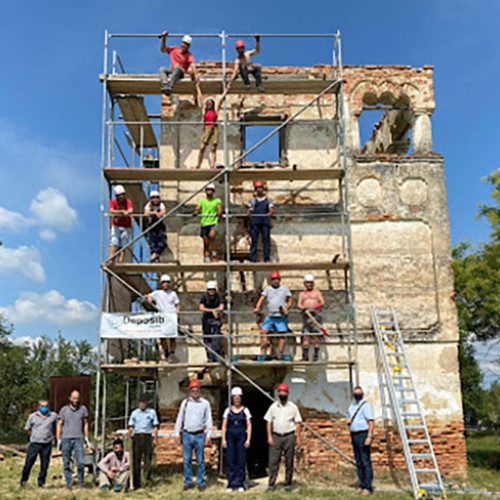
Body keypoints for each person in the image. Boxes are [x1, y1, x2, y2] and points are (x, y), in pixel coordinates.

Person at [174, 380, 213, 491]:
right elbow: (180, 418)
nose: (195, 392)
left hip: (200, 435)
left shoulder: (205, 404)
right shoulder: (185, 403)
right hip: (187, 434)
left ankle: (200, 482)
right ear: (190, 391)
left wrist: (209, 434)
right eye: (193, 390)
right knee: (187, 460)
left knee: (200, 460)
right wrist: (177, 433)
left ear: (199, 390)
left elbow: (208, 419)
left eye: (196, 390)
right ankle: (188, 482)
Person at [264, 383, 302, 492]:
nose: (282, 394)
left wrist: (298, 437)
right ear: (277, 393)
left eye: (284, 392)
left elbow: (298, 422)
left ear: (288, 393)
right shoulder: (273, 407)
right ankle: (271, 484)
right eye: (280, 392)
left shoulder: (293, 407)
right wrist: (269, 436)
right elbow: (268, 422)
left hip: (289, 436)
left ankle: (288, 484)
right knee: (273, 461)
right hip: (276, 436)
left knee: (289, 461)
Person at [253, 271, 293, 361]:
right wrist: (257, 307)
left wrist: (287, 307)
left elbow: (290, 300)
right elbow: (262, 298)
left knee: (282, 335)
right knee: (264, 332)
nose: (275, 281)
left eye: (277, 279)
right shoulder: (268, 289)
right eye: (273, 279)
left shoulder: (284, 289)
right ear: (271, 280)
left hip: (281, 316)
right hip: (270, 316)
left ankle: (280, 354)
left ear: (280, 280)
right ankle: (263, 353)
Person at [57, 390, 90, 490]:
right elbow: (59, 424)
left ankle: (81, 483)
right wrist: (58, 439)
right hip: (66, 438)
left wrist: (87, 437)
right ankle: (69, 483)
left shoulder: (83, 409)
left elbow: (86, 423)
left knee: (80, 462)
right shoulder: (64, 410)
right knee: (66, 462)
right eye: (74, 398)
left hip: (78, 438)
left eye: (77, 398)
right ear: (70, 398)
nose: (75, 400)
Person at [20, 399, 58, 488]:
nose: (44, 408)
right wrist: (33, 436)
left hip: (47, 444)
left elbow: (57, 427)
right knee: (29, 463)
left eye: (46, 406)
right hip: (35, 443)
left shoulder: (53, 416)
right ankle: (24, 480)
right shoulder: (32, 416)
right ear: (38, 407)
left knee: (44, 465)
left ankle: (41, 483)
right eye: (42, 406)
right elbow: (27, 428)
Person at [222, 387, 252, 492]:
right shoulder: (228, 411)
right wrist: (223, 440)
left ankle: (240, 483)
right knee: (230, 460)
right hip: (230, 437)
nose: (237, 399)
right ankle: (231, 484)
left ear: (241, 398)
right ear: (232, 398)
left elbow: (249, 425)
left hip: (241, 438)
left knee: (241, 460)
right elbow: (224, 425)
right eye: (235, 398)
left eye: (238, 397)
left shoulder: (245, 410)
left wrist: (248, 439)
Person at [347, 386, 375, 496]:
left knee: (365, 461)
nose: (357, 395)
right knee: (358, 461)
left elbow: (371, 422)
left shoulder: (366, 406)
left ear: (362, 394)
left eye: (359, 393)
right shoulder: (352, 406)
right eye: (355, 393)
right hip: (354, 434)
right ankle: (362, 484)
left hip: (363, 434)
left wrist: (369, 436)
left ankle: (368, 487)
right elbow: (350, 417)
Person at [158, 32, 202, 102]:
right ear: (182, 43)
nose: (185, 46)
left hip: (181, 72)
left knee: (177, 67)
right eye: (184, 44)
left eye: (187, 45)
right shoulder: (174, 49)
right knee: (161, 69)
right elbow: (163, 49)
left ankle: (170, 87)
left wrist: (196, 75)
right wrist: (164, 38)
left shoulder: (189, 55)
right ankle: (165, 85)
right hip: (173, 71)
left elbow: (192, 64)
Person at [146, 274, 180, 363]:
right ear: (161, 284)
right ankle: (166, 352)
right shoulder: (158, 293)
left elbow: (177, 305)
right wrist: (149, 298)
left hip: (172, 316)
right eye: (164, 282)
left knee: (172, 337)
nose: (166, 284)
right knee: (162, 337)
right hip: (162, 317)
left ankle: (172, 353)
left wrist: (177, 314)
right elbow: (147, 296)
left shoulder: (173, 293)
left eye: (167, 282)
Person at [128, 394, 159, 489]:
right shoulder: (134, 413)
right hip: (137, 437)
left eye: (144, 402)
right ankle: (136, 483)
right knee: (136, 460)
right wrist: (131, 436)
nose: (142, 404)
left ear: (146, 403)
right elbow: (131, 426)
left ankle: (147, 481)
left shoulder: (152, 412)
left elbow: (155, 426)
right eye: (140, 402)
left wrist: (155, 439)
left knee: (147, 461)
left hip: (147, 436)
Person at [297, 274, 326, 361]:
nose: (309, 285)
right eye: (307, 283)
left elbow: (322, 302)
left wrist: (316, 307)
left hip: (315, 316)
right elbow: (299, 304)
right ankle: (305, 355)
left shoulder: (317, 293)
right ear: (304, 284)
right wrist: (303, 308)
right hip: (306, 316)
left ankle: (316, 355)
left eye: (310, 283)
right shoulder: (302, 294)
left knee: (316, 336)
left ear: (313, 283)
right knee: (305, 336)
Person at [192, 183, 223, 262]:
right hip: (204, 223)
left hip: (213, 222)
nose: (209, 192)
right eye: (208, 190)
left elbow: (219, 209)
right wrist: (196, 212)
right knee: (206, 242)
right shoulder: (202, 201)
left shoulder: (217, 200)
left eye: (211, 190)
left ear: (213, 192)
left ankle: (214, 254)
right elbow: (198, 208)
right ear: (205, 191)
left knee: (212, 237)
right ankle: (206, 257)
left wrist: (219, 213)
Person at [246, 180, 274, 262]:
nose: (259, 190)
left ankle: (266, 258)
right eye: (257, 188)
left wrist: (270, 212)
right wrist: (249, 213)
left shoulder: (268, 200)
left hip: (265, 222)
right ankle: (253, 258)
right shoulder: (253, 200)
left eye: (260, 188)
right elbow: (248, 211)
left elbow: (271, 210)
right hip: (255, 222)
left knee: (266, 240)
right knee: (254, 240)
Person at [195, 97, 226, 170]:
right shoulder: (204, 111)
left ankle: (212, 165)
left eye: (210, 103)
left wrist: (226, 89)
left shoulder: (215, 111)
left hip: (214, 128)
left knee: (213, 148)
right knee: (202, 148)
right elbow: (201, 98)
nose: (209, 104)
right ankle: (198, 164)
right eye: (208, 103)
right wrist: (197, 87)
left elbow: (220, 100)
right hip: (207, 128)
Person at [199, 280, 224, 362]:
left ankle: (216, 356)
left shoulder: (218, 296)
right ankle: (210, 357)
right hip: (206, 320)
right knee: (207, 338)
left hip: (215, 320)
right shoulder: (204, 296)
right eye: (209, 290)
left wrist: (214, 310)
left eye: (213, 289)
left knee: (216, 338)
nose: (211, 291)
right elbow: (201, 307)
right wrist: (213, 311)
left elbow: (221, 307)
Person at [108, 184, 133, 264]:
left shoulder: (128, 202)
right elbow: (111, 210)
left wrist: (127, 212)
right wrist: (121, 212)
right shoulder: (113, 202)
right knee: (114, 242)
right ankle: (111, 259)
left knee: (123, 244)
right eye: (119, 195)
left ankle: (120, 261)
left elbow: (130, 210)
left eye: (122, 195)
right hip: (116, 225)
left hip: (126, 226)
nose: (121, 197)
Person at [144, 190, 167, 263]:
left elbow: (163, 211)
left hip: (160, 224)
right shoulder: (148, 205)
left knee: (162, 241)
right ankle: (155, 256)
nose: (155, 199)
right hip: (152, 224)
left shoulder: (161, 205)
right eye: (153, 198)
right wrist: (154, 213)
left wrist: (158, 213)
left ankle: (155, 254)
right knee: (152, 241)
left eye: (157, 198)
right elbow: (146, 213)